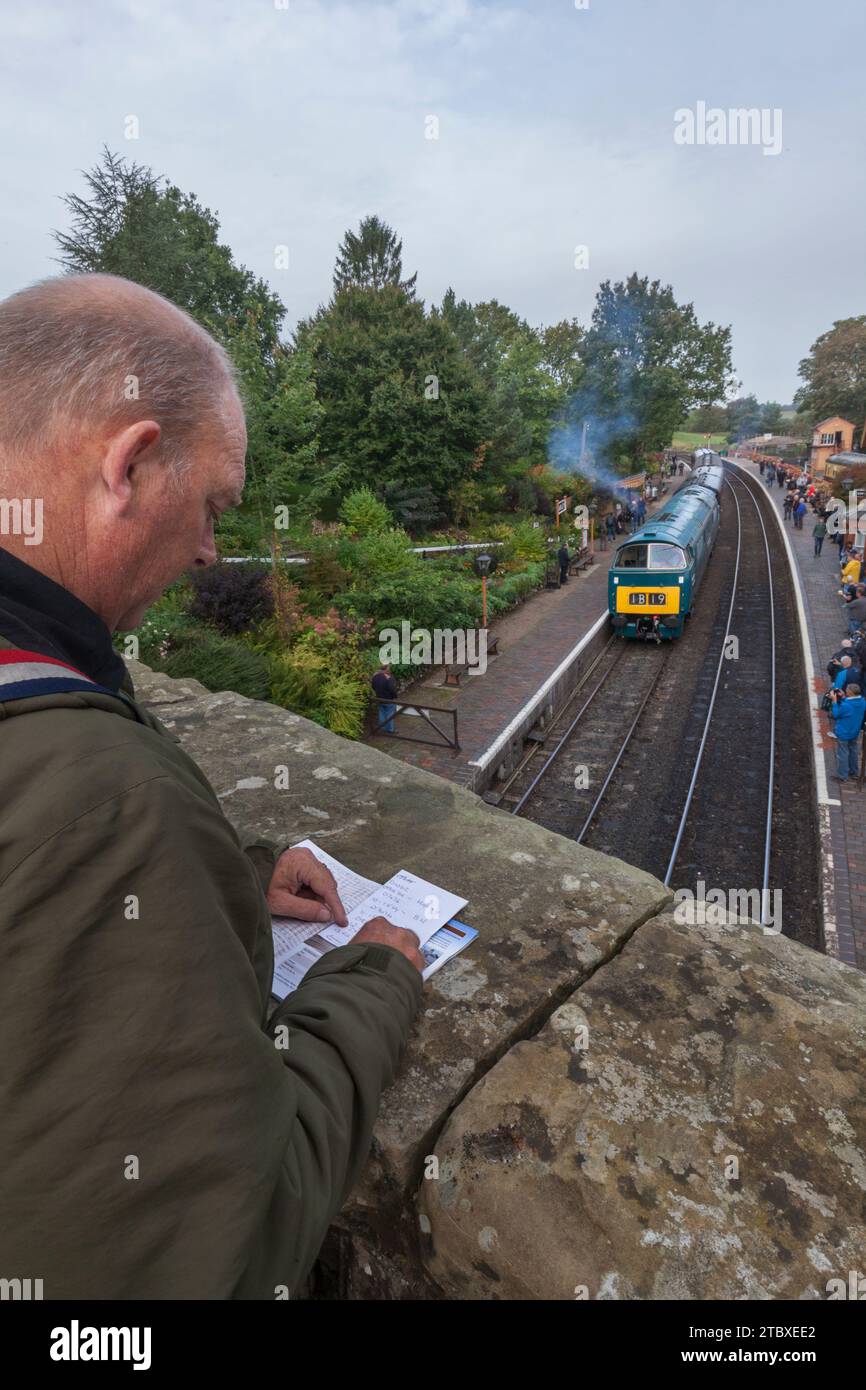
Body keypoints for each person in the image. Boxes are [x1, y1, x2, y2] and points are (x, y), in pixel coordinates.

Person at [0, 274, 425, 1299]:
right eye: (211, 506)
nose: (207, 549)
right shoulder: (107, 797)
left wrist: (217, 881)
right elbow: (213, 1251)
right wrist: (367, 986)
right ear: (130, 464)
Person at [829, 682, 866, 784]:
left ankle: (842, 776)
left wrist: (834, 701)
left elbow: (835, 714)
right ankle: (854, 772)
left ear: (850, 692)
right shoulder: (863, 702)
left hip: (844, 733)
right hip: (855, 732)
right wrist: (844, 697)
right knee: (853, 751)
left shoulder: (846, 706)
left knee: (843, 754)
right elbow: (850, 704)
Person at [371, 662, 399, 733]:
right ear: (386, 668)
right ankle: (390, 730)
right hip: (389, 699)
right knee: (389, 714)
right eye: (388, 667)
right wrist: (395, 696)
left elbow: (373, 686)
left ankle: (382, 728)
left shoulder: (375, 677)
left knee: (382, 713)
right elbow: (392, 689)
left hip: (379, 698)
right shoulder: (389, 678)